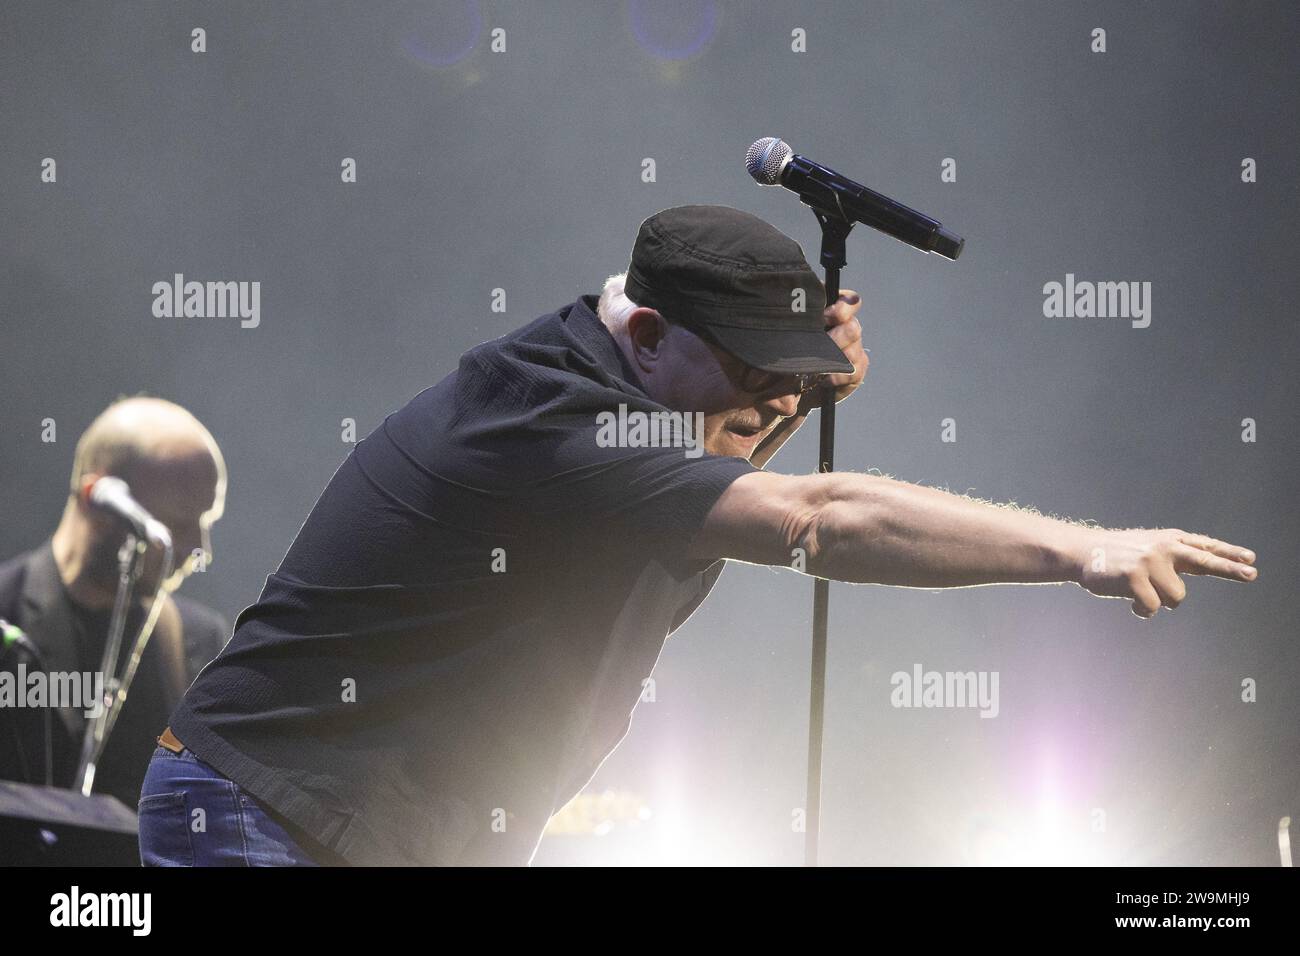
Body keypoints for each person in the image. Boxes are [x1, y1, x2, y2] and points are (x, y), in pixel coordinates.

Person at [139, 205, 1258, 867]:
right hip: (263, 807)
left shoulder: (629, 393)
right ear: (651, 333)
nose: (774, 399)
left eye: (790, 376)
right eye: (747, 371)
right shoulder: (551, 413)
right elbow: (815, 520)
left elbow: (696, 491)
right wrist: (1079, 548)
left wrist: (787, 390)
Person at [0, 396, 229, 810]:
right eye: (177, 524)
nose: (200, 550)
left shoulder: (203, 644)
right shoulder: (6, 612)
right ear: (98, 498)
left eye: (206, 521)